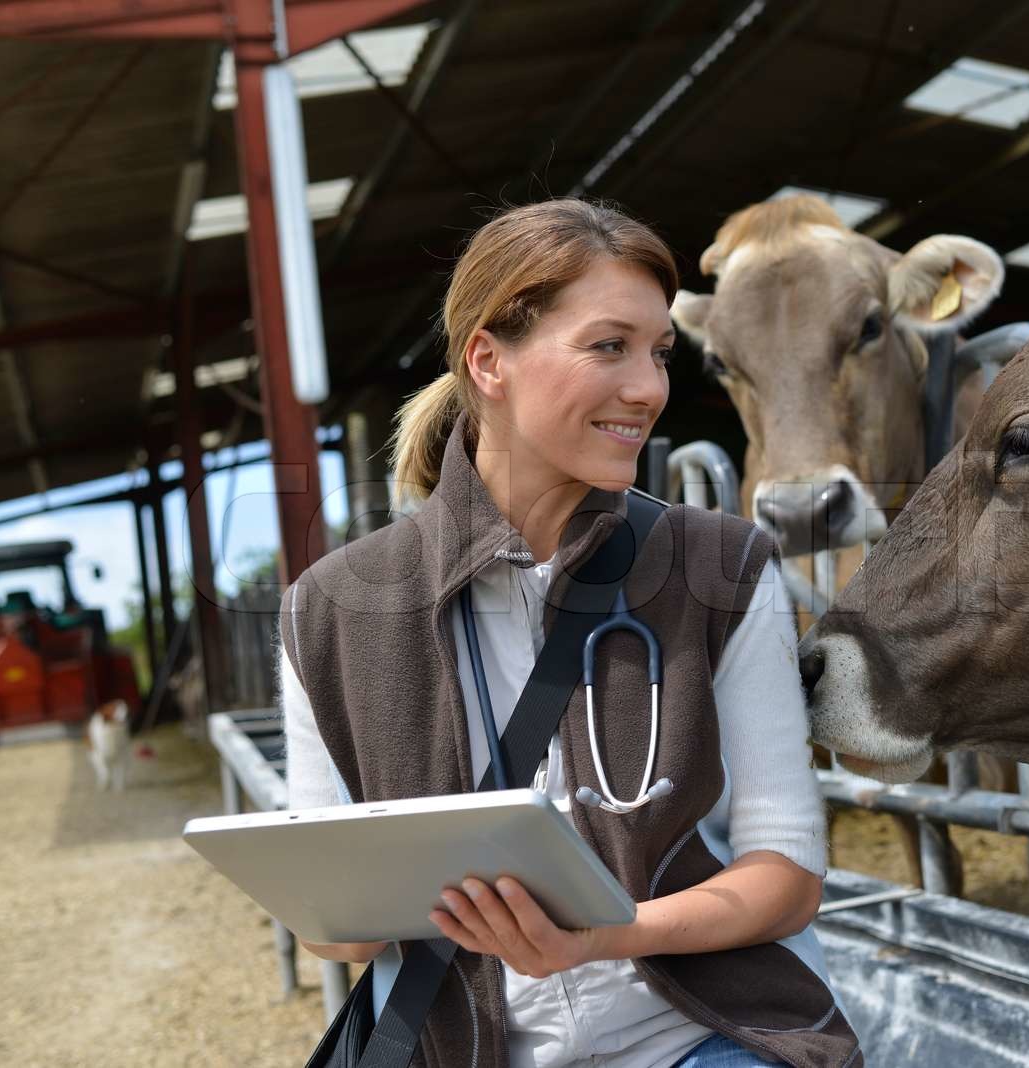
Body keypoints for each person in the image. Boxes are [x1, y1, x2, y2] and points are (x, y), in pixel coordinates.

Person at [279, 199, 859, 1068]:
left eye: (660, 353)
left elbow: (784, 881)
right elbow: (336, 940)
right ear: (488, 361)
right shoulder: (329, 610)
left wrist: (599, 937)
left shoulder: (723, 567)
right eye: (608, 346)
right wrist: (361, 900)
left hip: (702, 1036)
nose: (650, 388)